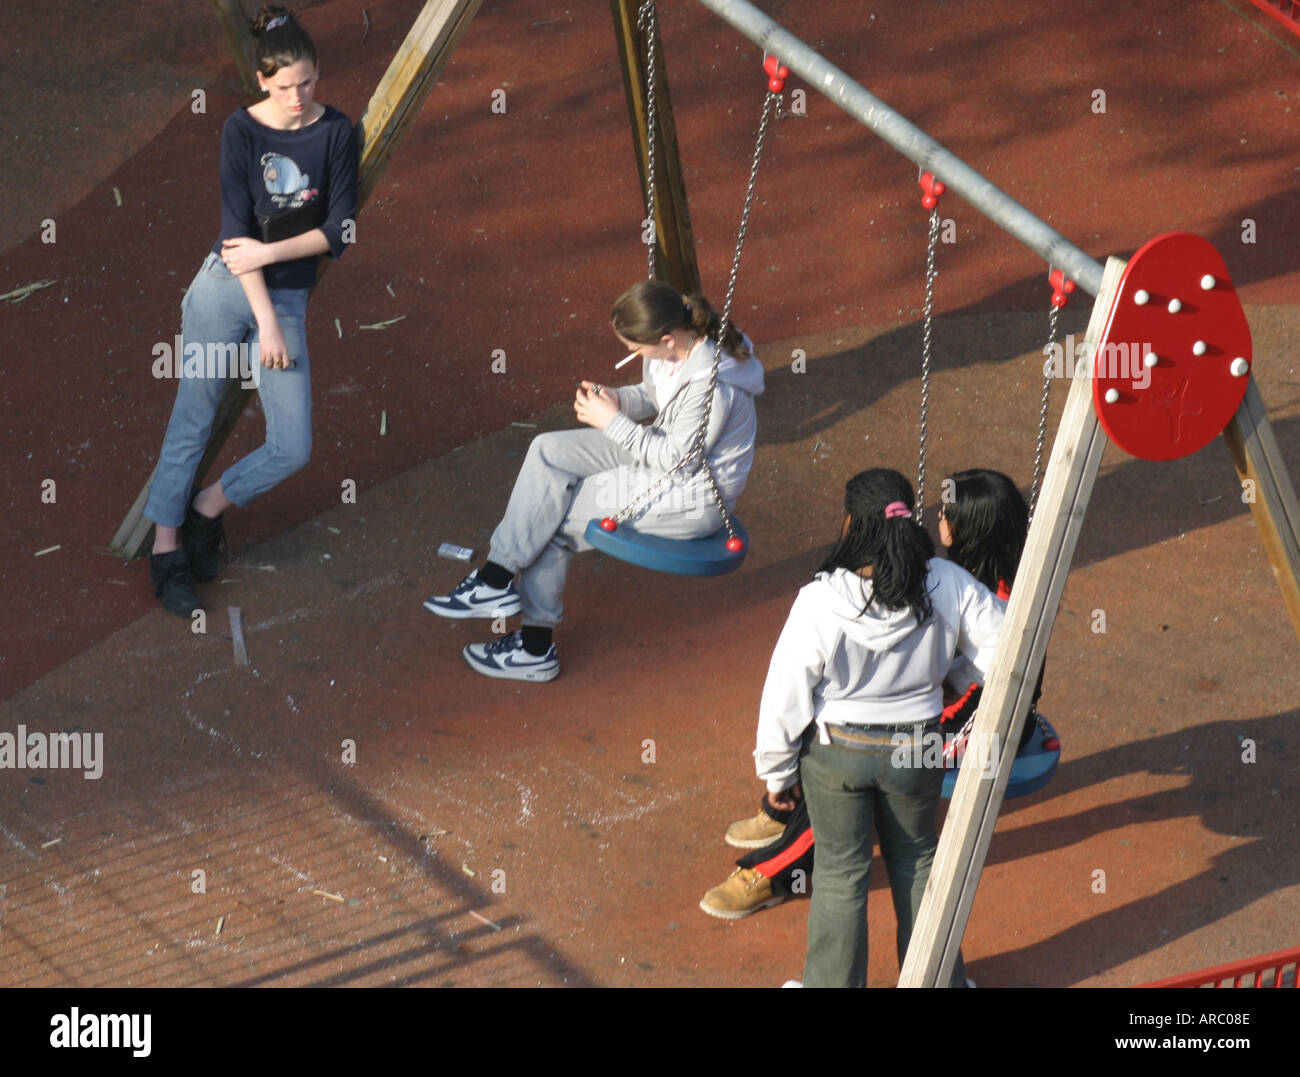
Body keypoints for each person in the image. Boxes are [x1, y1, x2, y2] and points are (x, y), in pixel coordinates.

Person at [701, 468, 1041, 928]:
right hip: (938, 717)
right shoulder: (962, 575)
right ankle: (787, 805)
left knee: (850, 778)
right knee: (864, 771)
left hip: (978, 725)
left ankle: (771, 872)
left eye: (946, 511)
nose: (937, 516)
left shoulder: (986, 589)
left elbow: (995, 685)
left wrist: (932, 701)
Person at [424, 280, 764, 681]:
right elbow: (655, 397)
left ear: (668, 338)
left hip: (690, 495)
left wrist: (611, 422)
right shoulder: (674, 345)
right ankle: (496, 579)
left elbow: (678, 463)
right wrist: (618, 399)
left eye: (635, 348)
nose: (630, 353)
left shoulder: (714, 388)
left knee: (554, 518)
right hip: (658, 452)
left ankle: (535, 649)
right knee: (548, 451)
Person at [143, 6, 358, 616]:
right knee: (196, 414)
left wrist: (273, 255)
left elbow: (339, 230)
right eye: (285, 85)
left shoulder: (336, 132)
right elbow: (236, 241)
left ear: (319, 74)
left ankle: (207, 509)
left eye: (308, 82)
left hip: (283, 295)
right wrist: (264, 320)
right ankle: (165, 550)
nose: (298, 96)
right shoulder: (241, 130)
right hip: (225, 290)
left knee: (293, 445)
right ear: (262, 80)